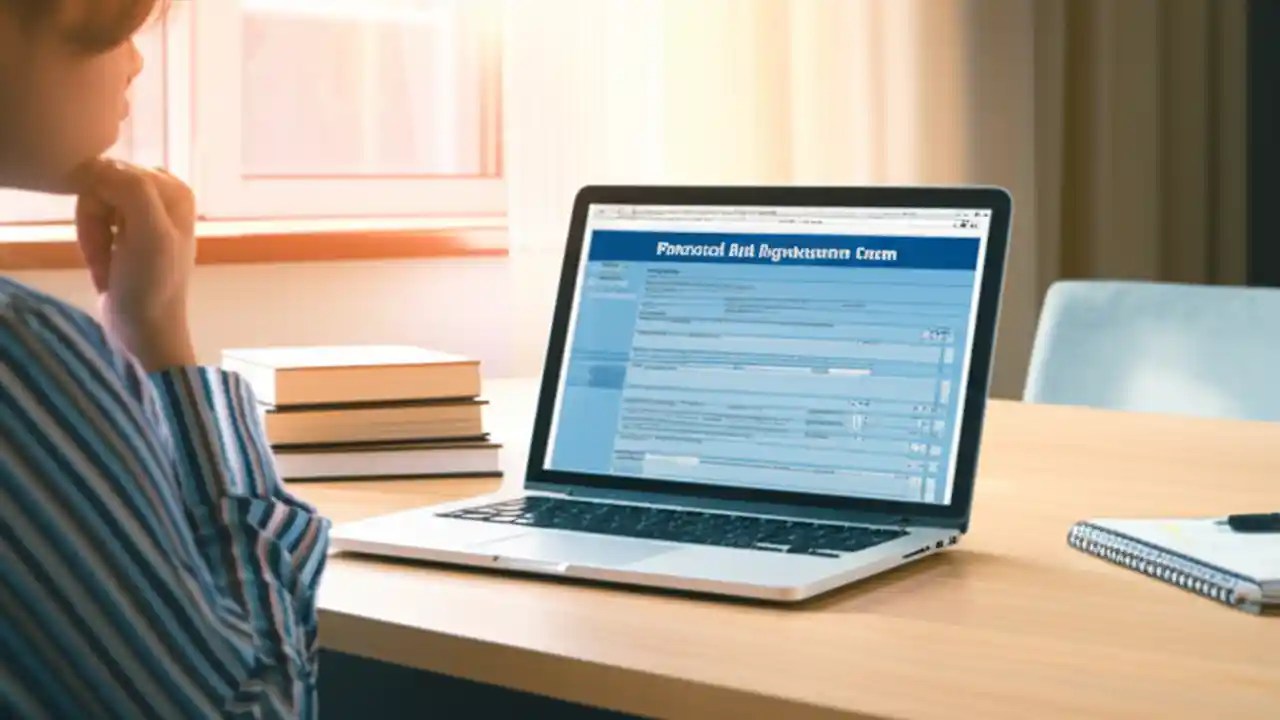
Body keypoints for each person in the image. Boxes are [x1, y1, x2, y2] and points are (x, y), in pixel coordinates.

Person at [0, 2, 330, 718]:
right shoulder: (20, 354)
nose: (137, 61)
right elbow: (251, 706)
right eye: (115, 28)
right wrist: (164, 352)